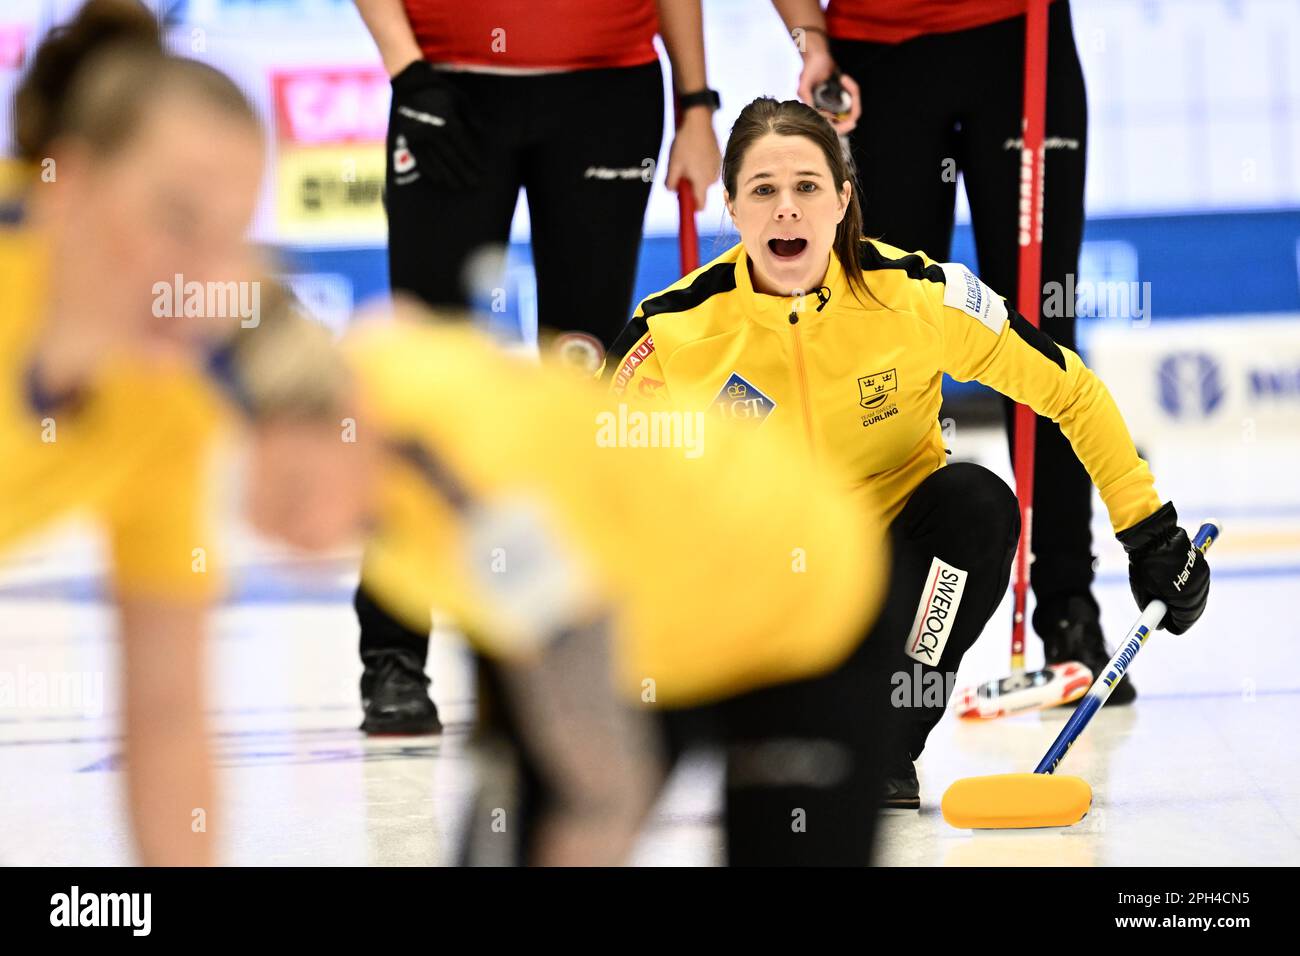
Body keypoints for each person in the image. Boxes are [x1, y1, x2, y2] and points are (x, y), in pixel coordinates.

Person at [603, 97, 1212, 809]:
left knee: (977, 505)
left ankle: (887, 741)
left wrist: (1151, 532)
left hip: (890, 583)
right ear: (732, 208)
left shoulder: (919, 298)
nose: (786, 210)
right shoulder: (671, 331)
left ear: (842, 199)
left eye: (806, 187)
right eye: (763, 190)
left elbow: (1069, 390)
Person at [218, 292, 901, 866]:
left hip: (801, 609)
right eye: (252, 506)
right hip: (645, 634)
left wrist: (583, 824)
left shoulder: (470, 459)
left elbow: (603, 790)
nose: (281, 531)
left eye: (291, 491)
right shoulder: (368, 456)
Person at [347, 0, 724, 736]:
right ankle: (393, 652)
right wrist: (407, 70)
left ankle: (576, 647)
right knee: (424, 384)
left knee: (582, 383)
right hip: (450, 87)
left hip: (606, 91)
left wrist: (696, 103)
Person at [770, 0, 1118, 698]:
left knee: (1039, 335)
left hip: (1019, 37)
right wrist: (811, 39)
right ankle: (877, 622)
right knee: (880, 338)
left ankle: (1068, 609)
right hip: (880, 56)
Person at [0, 0, 265, 864]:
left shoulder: (168, 405)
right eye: (177, 220)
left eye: (229, 238)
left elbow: (166, 716)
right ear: (66, 184)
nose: (203, 278)